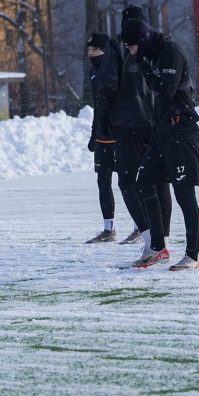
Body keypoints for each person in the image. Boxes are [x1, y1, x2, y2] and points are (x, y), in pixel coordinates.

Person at [120, 18, 199, 271]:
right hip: (162, 131)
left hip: (182, 131)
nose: (131, 53)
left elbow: (166, 90)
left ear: (141, 42)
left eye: (132, 48)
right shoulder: (152, 53)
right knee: (142, 184)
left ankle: (192, 255)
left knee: (184, 194)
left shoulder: (171, 53)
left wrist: (144, 67)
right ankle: (157, 247)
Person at [94, 5, 171, 248]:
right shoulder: (158, 44)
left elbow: (108, 84)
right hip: (156, 121)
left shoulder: (117, 45)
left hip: (128, 124)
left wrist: (103, 118)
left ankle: (147, 232)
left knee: (127, 181)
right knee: (160, 181)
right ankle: (163, 236)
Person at [84, 32, 120, 243]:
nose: (90, 53)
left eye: (94, 49)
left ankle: (140, 226)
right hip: (102, 137)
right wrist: (94, 133)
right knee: (103, 182)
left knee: (128, 183)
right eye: (89, 50)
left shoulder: (115, 70)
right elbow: (98, 106)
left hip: (119, 136)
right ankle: (109, 229)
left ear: (104, 51)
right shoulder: (93, 72)